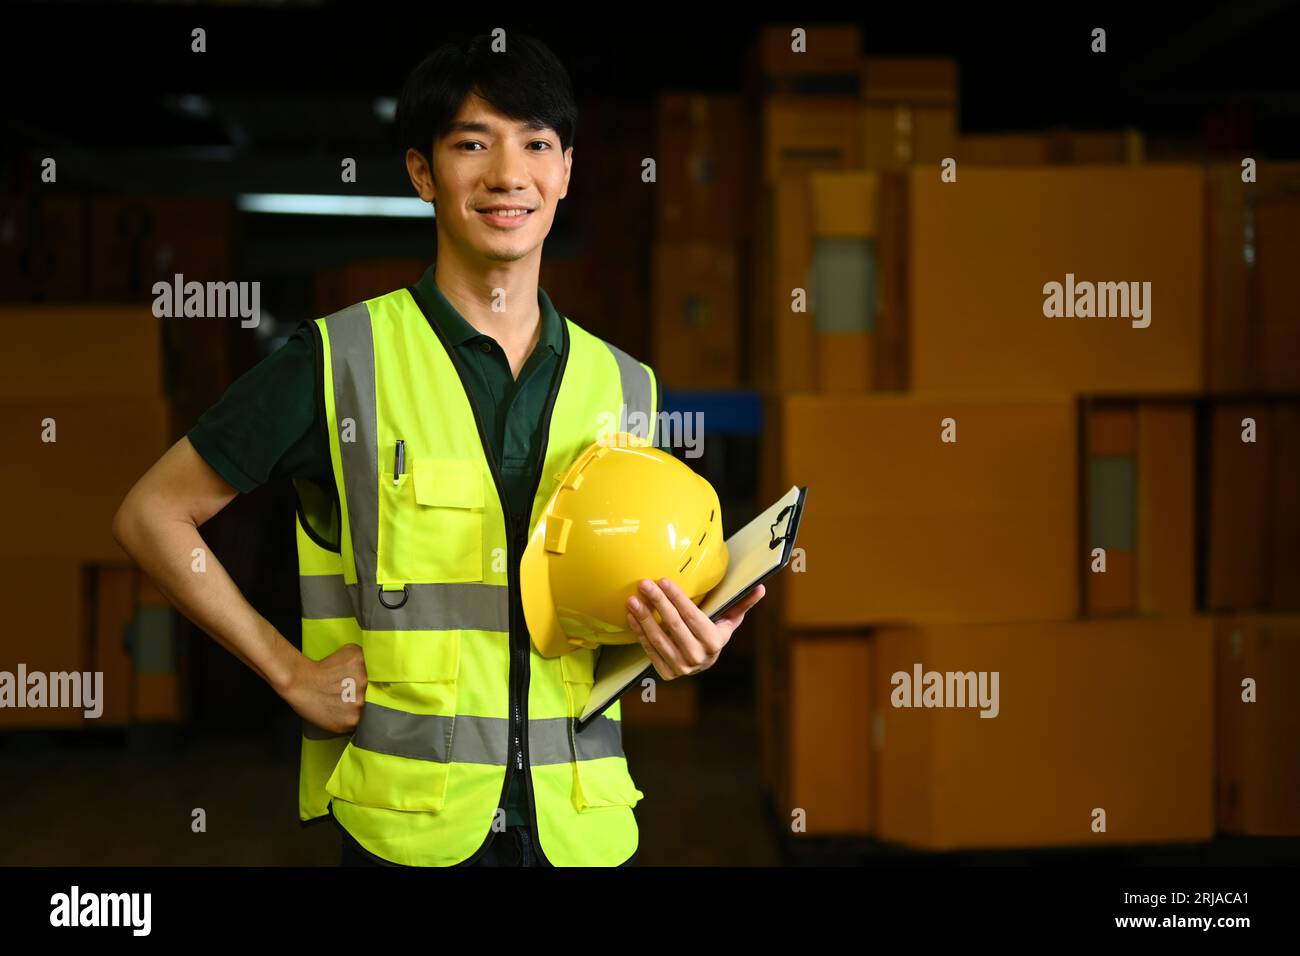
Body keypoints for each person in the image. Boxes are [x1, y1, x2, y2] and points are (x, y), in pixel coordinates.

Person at [112, 31, 764, 868]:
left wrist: (680, 644)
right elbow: (152, 514)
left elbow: (593, 617)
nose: (507, 174)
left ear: (565, 169)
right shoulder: (338, 362)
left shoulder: (626, 387)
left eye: (536, 144)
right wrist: (286, 670)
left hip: (580, 828)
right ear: (423, 172)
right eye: (472, 144)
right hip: (409, 832)